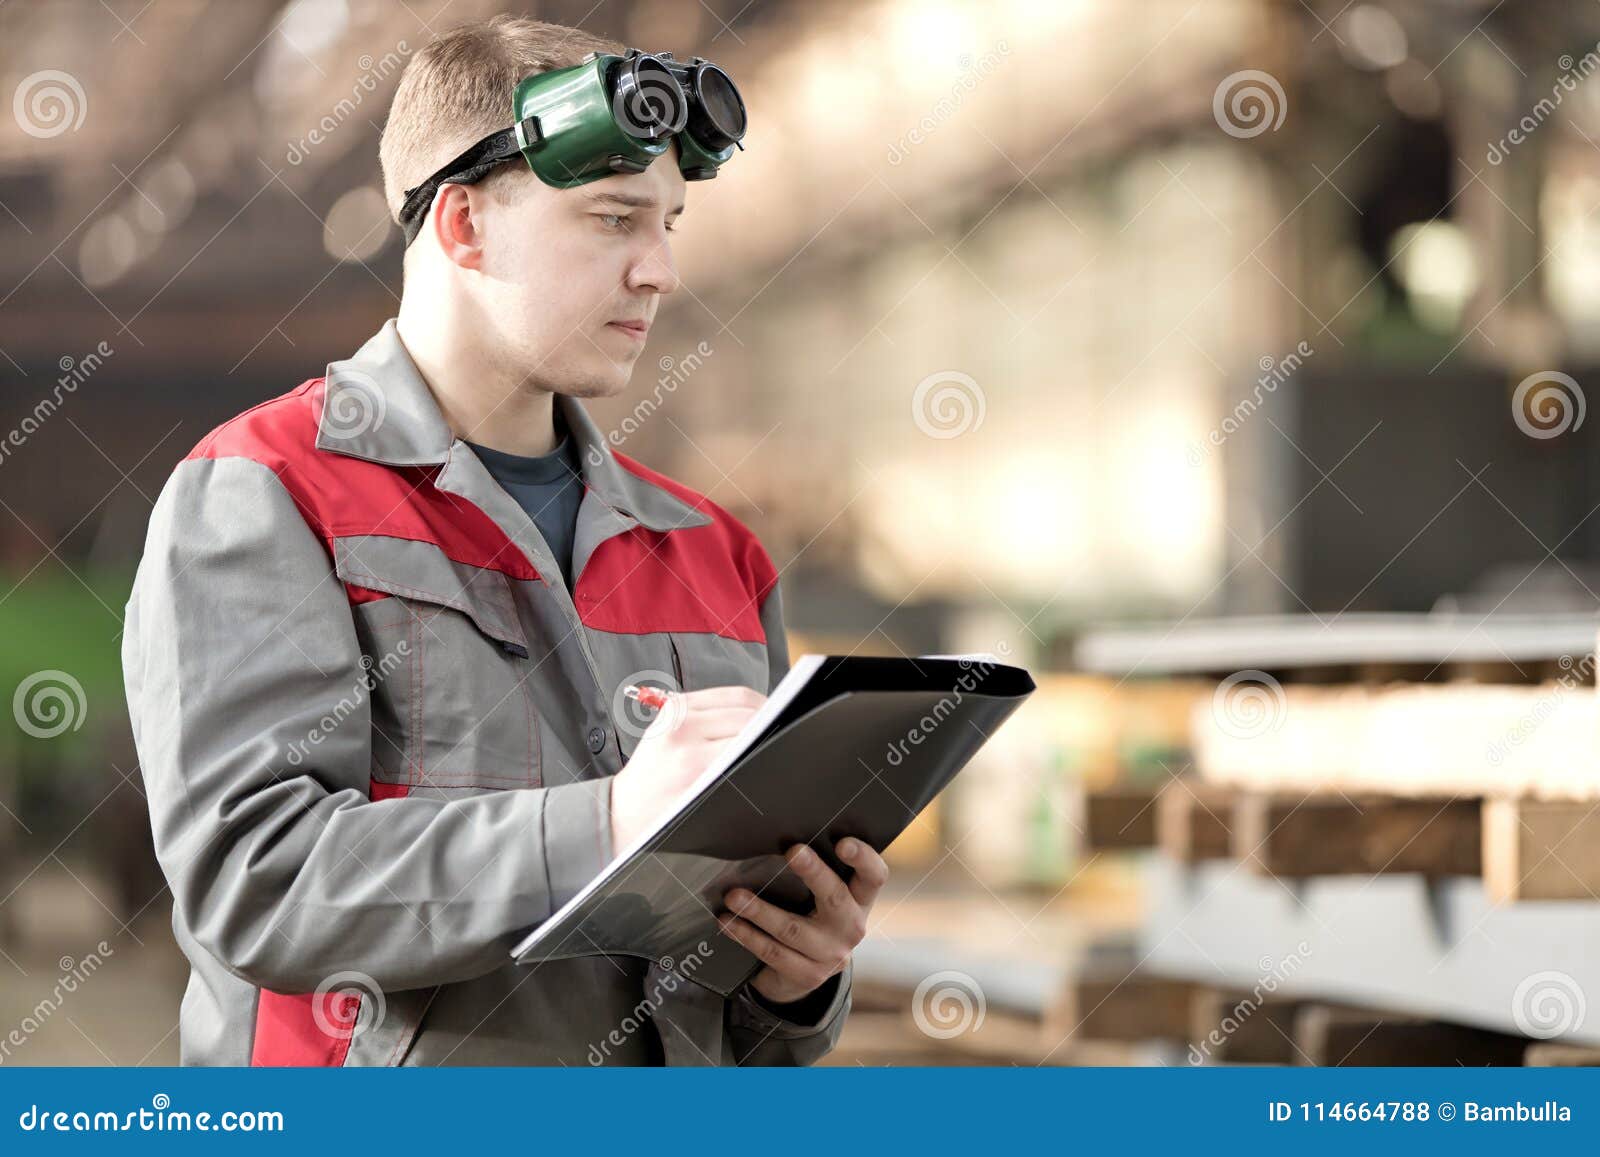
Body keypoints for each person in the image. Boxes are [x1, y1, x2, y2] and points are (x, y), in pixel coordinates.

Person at [121, 15, 887, 1066]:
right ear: (464, 225)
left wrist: (794, 982)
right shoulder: (269, 494)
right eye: (614, 218)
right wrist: (604, 825)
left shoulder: (714, 553)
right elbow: (257, 883)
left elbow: (728, 1012)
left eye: (669, 222)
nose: (660, 269)